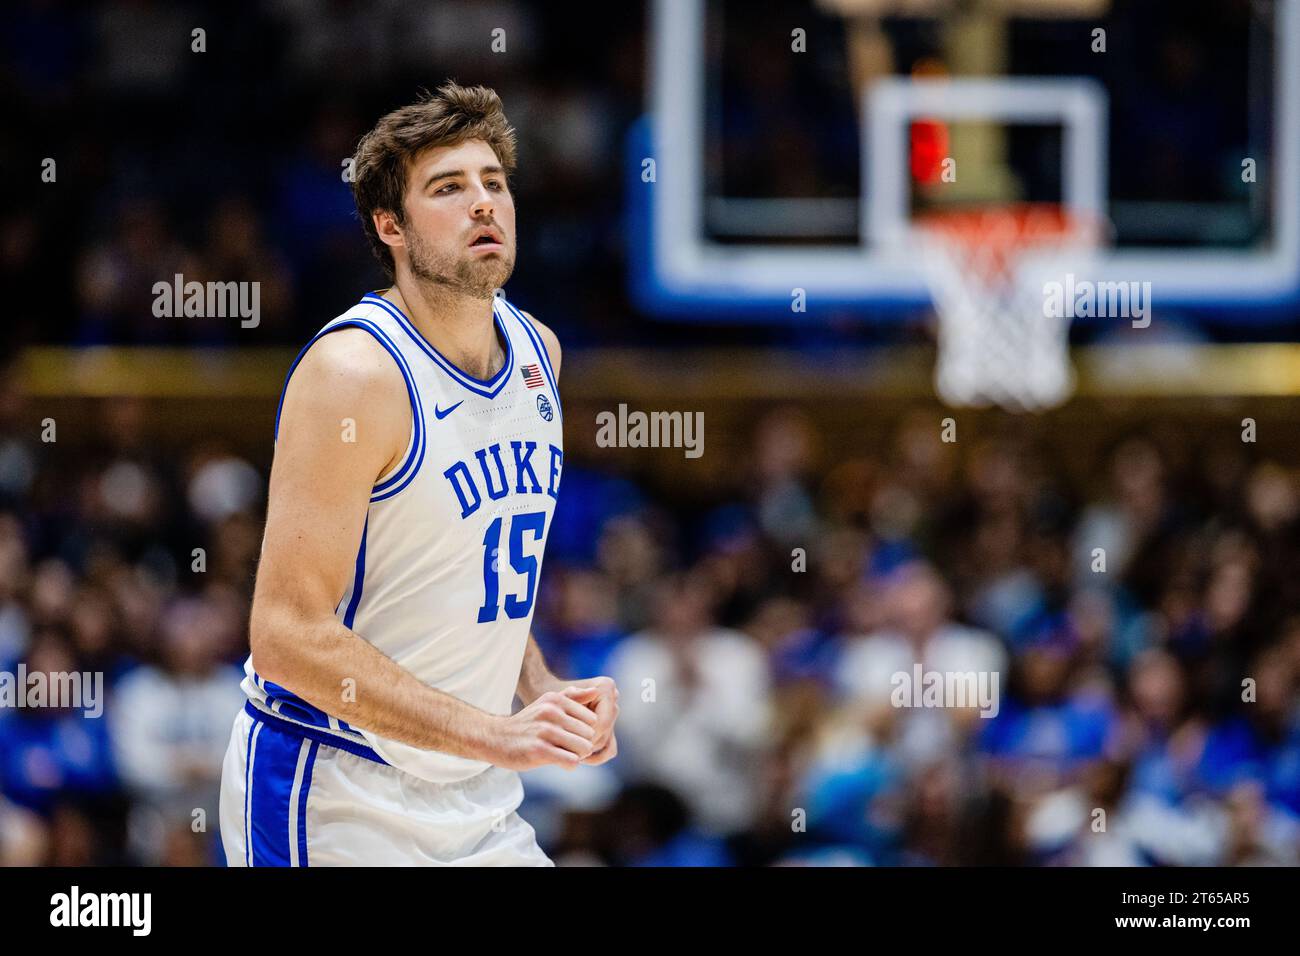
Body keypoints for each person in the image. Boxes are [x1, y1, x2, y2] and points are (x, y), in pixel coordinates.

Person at [218, 82, 618, 866]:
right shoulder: (355, 375)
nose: (483, 205)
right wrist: (498, 733)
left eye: (493, 184)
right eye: (448, 188)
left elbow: (468, 587)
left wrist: (538, 690)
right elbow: (285, 636)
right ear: (389, 225)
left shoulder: (540, 352)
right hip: (336, 790)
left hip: (475, 795)